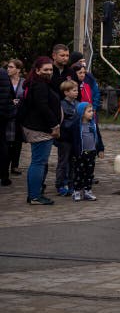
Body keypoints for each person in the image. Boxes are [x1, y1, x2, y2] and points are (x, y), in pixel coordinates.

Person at [21, 56, 62, 205]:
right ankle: (35, 196)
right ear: (37, 70)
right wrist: (54, 125)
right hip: (40, 130)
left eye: (51, 69)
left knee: (38, 162)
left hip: (38, 128)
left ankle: (33, 194)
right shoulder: (39, 85)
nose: (49, 72)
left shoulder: (39, 83)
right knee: (38, 162)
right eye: (45, 69)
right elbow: (43, 107)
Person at [70, 102, 104, 201]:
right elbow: (73, 140)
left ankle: (87, 191)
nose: (92, 113)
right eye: (89, 111)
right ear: (82, 112)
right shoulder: (76, 125)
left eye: (92, 111)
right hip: (80, 154)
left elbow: (98, 137)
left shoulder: (93, 124)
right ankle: (76, 191)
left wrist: (100, 149)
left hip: (91, 153)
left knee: (89, 173)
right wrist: (74, 153)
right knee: (78, 173)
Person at [56, 80, 79, 196]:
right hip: (65, 139)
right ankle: (61, 184)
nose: (77, 92)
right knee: (63, 162)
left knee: (73, 162)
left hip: (74, 138)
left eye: (77, 90)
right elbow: (63, 122)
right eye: (74, 90)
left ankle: (71, 183)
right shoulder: (61, 105)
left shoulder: (78, 104)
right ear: (66, 92)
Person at [5, 59, 25, 176]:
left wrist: (20, 101)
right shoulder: (4, 81)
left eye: (11, 67)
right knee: (7, 142)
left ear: (18, 70)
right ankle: (5, 165)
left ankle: (15, 165)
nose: (8, 69)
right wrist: (10, 101)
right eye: (8, 67)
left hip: (19, 116)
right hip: (7, 115)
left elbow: (27, 96)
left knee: (18, 141)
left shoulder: (24, 82)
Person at [0, 64, 14, 187]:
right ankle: (4, 176)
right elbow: (11, 93)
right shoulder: (3, 73)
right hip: (3, 114)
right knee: (3, 144)